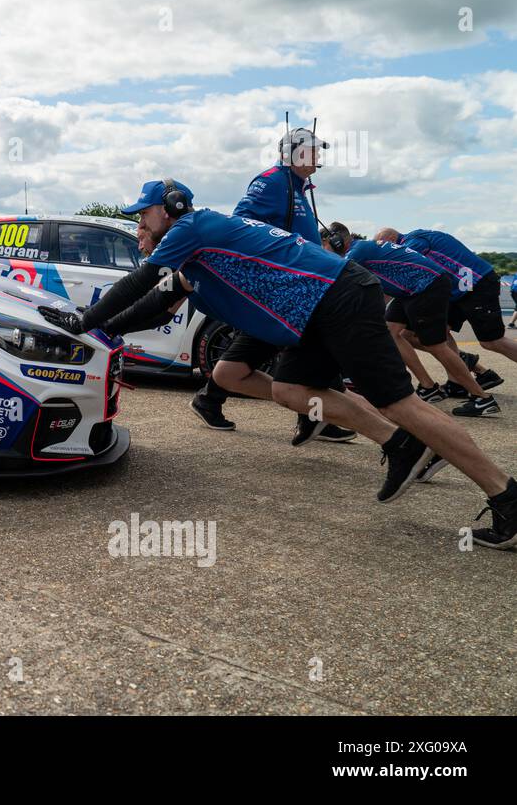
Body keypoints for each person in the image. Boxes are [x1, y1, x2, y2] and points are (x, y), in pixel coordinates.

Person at [67, 179, 517, 549]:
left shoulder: (192, 226)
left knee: (400, 403)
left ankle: (505, 495)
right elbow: (155, 302)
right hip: (314, 313)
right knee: (290, 391)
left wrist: (86, 321)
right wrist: (101, 331)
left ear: (168, 210)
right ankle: (402, 446)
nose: (138, 223)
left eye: (141, 215)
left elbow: (143, 280)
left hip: (337, 297)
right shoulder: (195, 254)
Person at [189, 123, 355, 445]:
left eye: (318, 151)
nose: (317, 157)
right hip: (281, 285)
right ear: (291, 153)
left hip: (297, 286)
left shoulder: (298, 188)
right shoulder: (272, 182)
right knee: (312, 343)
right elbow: (241, 222)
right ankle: (316, 418)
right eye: (311, 151)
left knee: (291, 345)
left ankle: (212, 399)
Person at [325, 222, 497, 417]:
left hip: (426, 286)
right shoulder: (365, 248)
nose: (324, 251)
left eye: (324, 246)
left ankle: (482, 398)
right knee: (391, 331)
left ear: (336, 242)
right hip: (413, 289)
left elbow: (335, 279)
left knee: (435, 345)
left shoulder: (358, 250)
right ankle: (428, 387)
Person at [375, 227, 517, 379]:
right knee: (428, 335)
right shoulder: (414, 239)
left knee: (492, 341)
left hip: (476, 284)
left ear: (390, 240)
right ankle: (459, 375)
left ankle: (463, 369)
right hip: (457, 290)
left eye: (382, 245)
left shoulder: (412, 241)